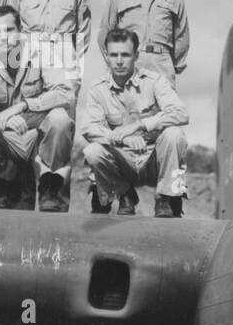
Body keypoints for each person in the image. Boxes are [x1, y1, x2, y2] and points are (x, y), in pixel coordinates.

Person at [0, 6, 74, 212]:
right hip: (5, 136)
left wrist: (23, 106)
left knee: (60, 118)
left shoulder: (41, 52)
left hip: (36, 135)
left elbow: (65, 93)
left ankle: (50, 188)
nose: (3, 37)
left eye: (9, 30)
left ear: (21, 29)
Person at [81, 27, 190, 218]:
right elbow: (89, 128)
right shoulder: (98, 88)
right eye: (114, 55)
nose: (120, 61)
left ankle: (166, 197)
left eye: (125, 54)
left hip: (154, 160)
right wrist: (123, 139)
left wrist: (140, 125)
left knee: (175, 134)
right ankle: (124, 193)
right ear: (106, 56)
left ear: (136, 55)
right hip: (123, 162)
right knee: (93, 151)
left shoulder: (155, 81)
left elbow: (181, 113)